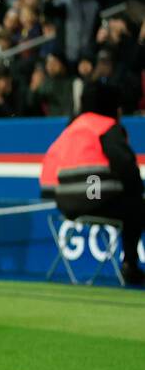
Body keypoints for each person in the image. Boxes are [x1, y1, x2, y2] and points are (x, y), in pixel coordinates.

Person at [40, 81, 144, 286]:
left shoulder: (70, 129)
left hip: (66, 206)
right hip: (94, 198)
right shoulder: (106, 126)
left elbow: (50, 161)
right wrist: (136, 188)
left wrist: (56, 195)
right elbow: (125, 164)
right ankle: (130, 265)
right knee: (137, 208)